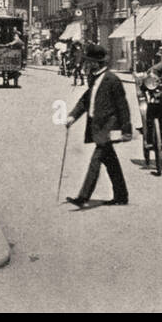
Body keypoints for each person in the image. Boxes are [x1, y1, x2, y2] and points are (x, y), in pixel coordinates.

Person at [65, 44, 132, 208]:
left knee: (96, 160)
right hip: (97, 126)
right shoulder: (94, 78)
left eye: (89, 61)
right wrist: (73, 116)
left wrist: (126, 130)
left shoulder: (112, 80)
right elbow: (85, 100)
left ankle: (83, 196)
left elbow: (122, 106)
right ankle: (121, 195)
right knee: (111, 162)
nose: (87, 64)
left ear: (96, 63)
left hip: (106, 127)